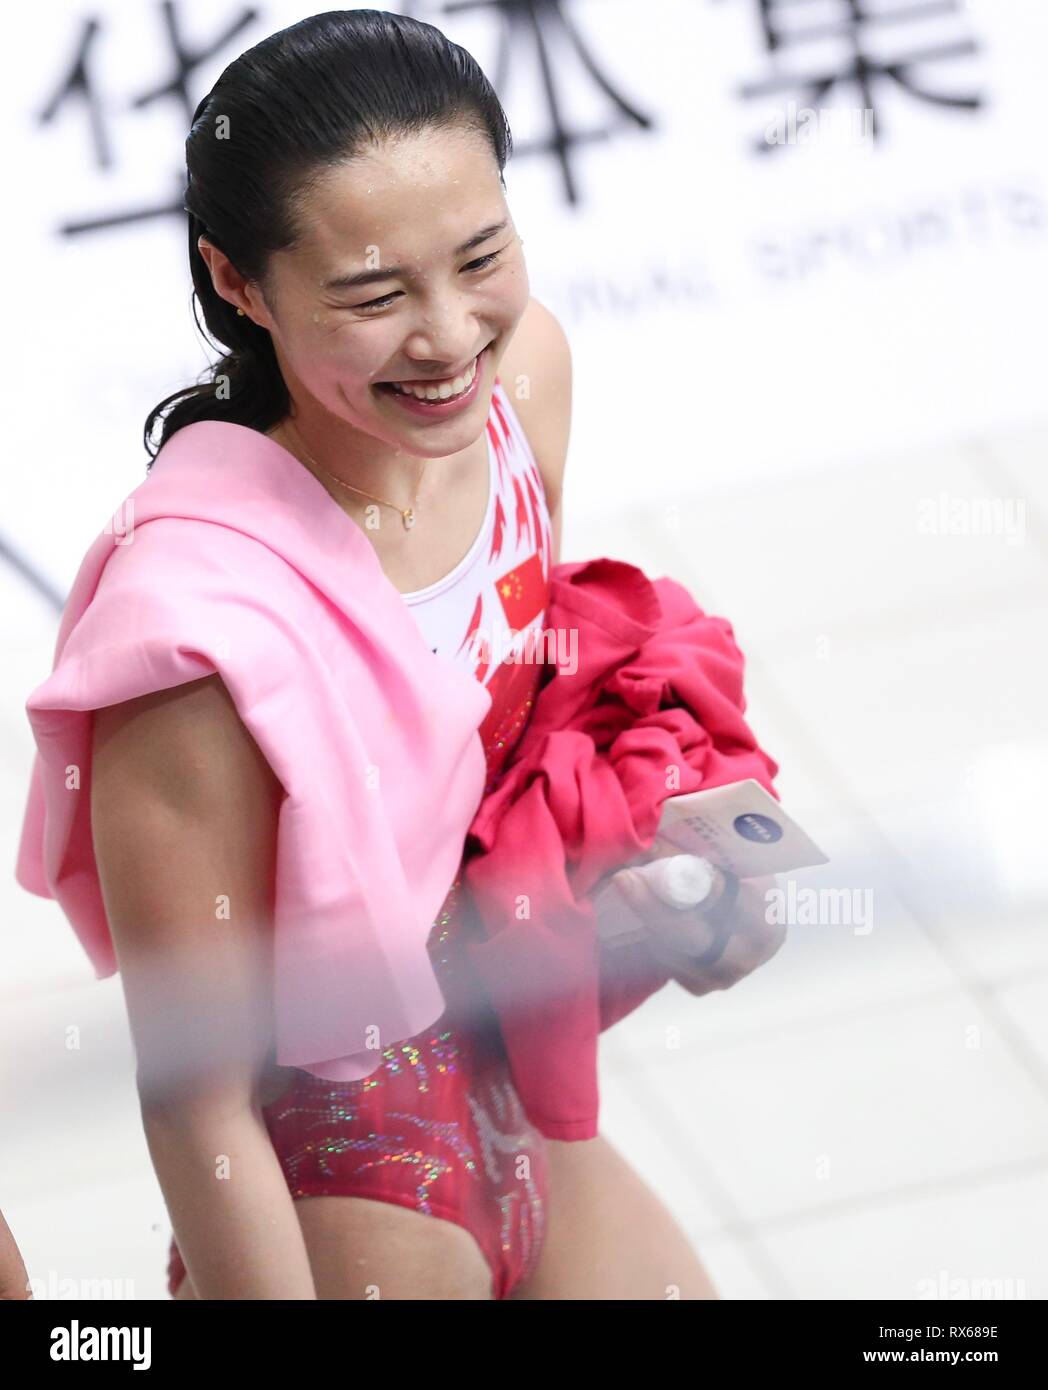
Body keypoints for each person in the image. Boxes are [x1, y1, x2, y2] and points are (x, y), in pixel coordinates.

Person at [87, 9, 785, 1301]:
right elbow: (194, 1101)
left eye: (480, 256)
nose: (451, 336)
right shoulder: (197, 640)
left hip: (505, 1065)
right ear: (239, 284)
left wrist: (654, 878)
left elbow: (497, 754)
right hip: (341, 1152)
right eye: (375, 296)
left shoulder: (526, 387)